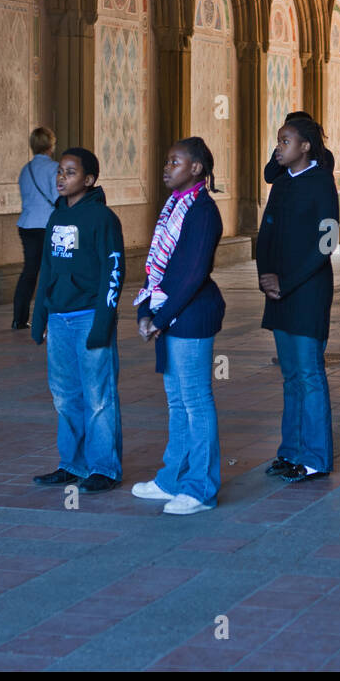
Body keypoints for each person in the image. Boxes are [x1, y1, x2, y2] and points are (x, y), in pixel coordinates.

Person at [131, 138, 226, 515]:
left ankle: (200, 489)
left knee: (196, 401)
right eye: (167, 160)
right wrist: (145, 311)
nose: (167, 167)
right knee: (177, 402)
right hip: (169, 314)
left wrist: (160, 317)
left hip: (190, 315)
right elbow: (159, 267)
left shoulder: (202, 211)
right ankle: (172, 479)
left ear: (197, 169)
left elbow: (192, 274)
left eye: (175, 161)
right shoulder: (174, 206)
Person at [31, 148, 126, 494]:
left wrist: (104, 322)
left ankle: (104, 468)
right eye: (60, 171)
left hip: (89, 317)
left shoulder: (103, 219)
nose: (61, 178)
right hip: (59, 319)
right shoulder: (55, 218)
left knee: (98, 396)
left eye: (70, 173)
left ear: (88, 180)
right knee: (65, 396)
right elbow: (47, 268)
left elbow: (113, 272)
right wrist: (40, 314)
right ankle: (72, 464)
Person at [258, 116, 340, 483]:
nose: (279, 146)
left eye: (286, 141)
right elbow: (266, 232)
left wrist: (286, 280)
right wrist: (265, 275)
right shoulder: (281, 185)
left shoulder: (321, 182)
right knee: (291, 374)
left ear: (305, 146)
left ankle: (315, 458)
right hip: (277, 291)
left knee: (309, 373)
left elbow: (327, 242)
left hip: (307, 290)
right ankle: (290, 451)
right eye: (277, 141)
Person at [12, 127, 58, 331]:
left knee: (29, 273)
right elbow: (58, 198)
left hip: (27, 224)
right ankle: (46, 318)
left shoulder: (25, 169)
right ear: (51, 145)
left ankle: (18, 319)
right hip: (47, 225)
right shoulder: (54, 168)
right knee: (51, 272)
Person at [263, 110, 335, 184]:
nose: (279, 146)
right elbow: (269, 177)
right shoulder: (281, 152)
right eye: (280, 141)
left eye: (286, 141)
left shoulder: (325, 155)